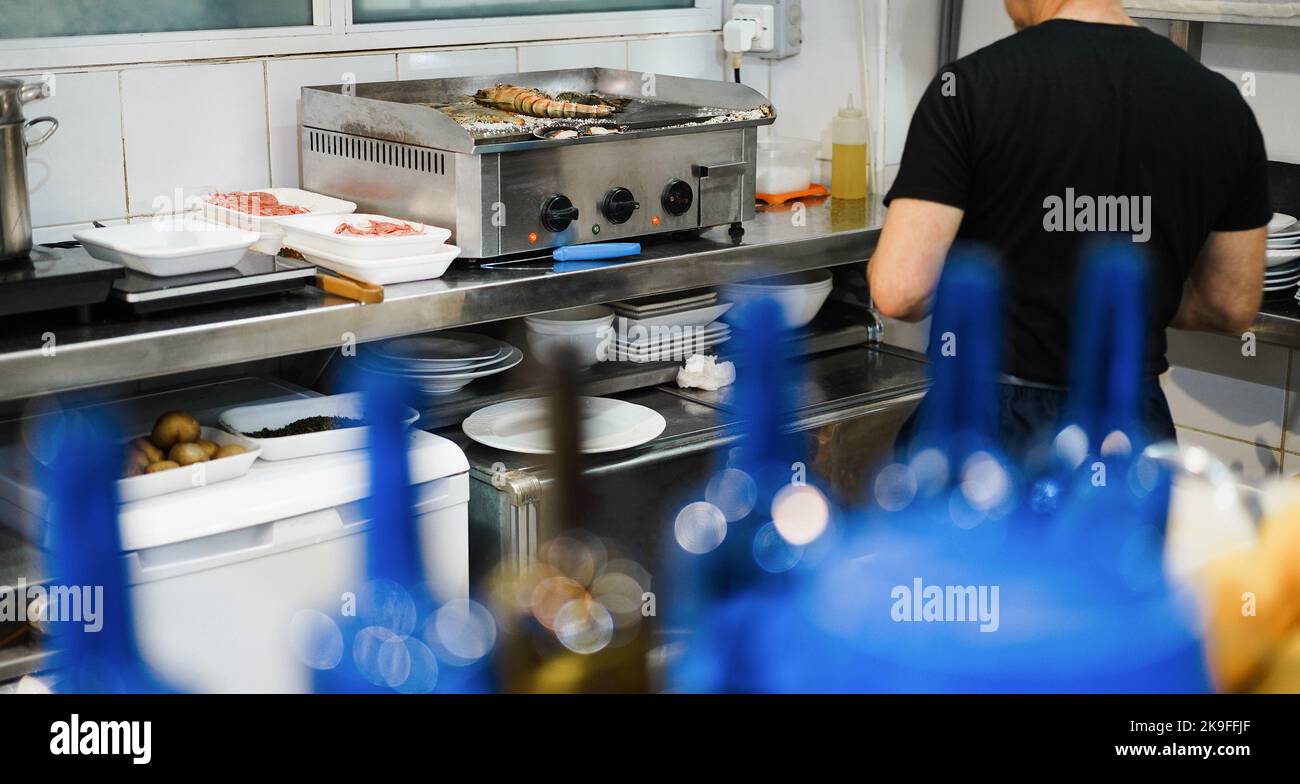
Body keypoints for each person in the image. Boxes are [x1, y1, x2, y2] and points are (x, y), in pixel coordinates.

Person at [870, 0, 1270, 459]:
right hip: (1131, 423)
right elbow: (1231, 304)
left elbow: (900, 290)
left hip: (991, 430)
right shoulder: (1220, 102)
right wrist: (1127, 305)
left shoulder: (968, 87)